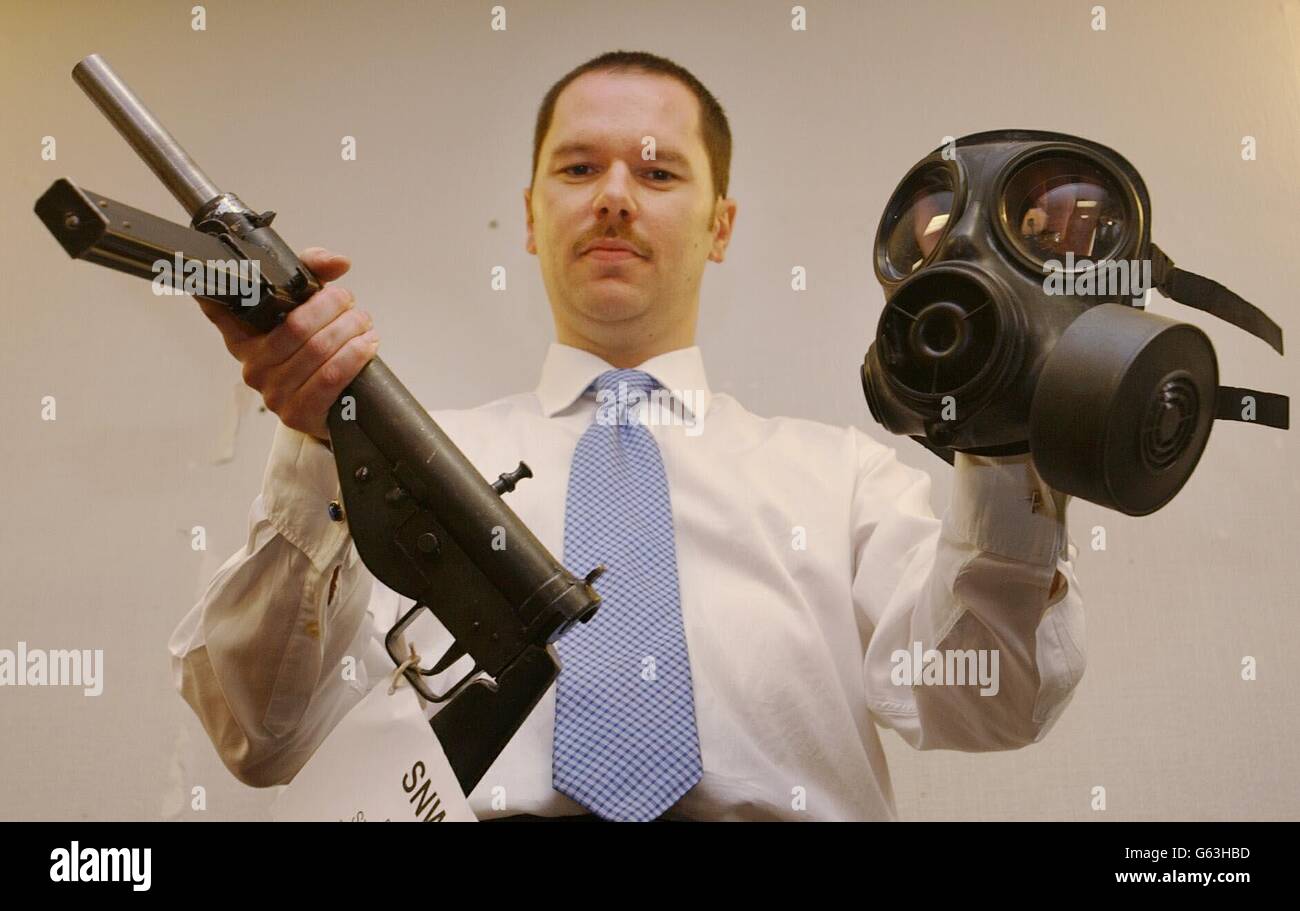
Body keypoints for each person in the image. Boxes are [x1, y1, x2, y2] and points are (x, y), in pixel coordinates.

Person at [169, 50, 1084, 822]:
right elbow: (259, 733)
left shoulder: (844, 481)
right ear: (530, 217)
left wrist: (1005, 441)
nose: (614, 198)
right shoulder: (398, 458)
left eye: (657, 172)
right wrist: (322, 438)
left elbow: (988, 700)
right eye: (577, 170)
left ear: (720, 225)